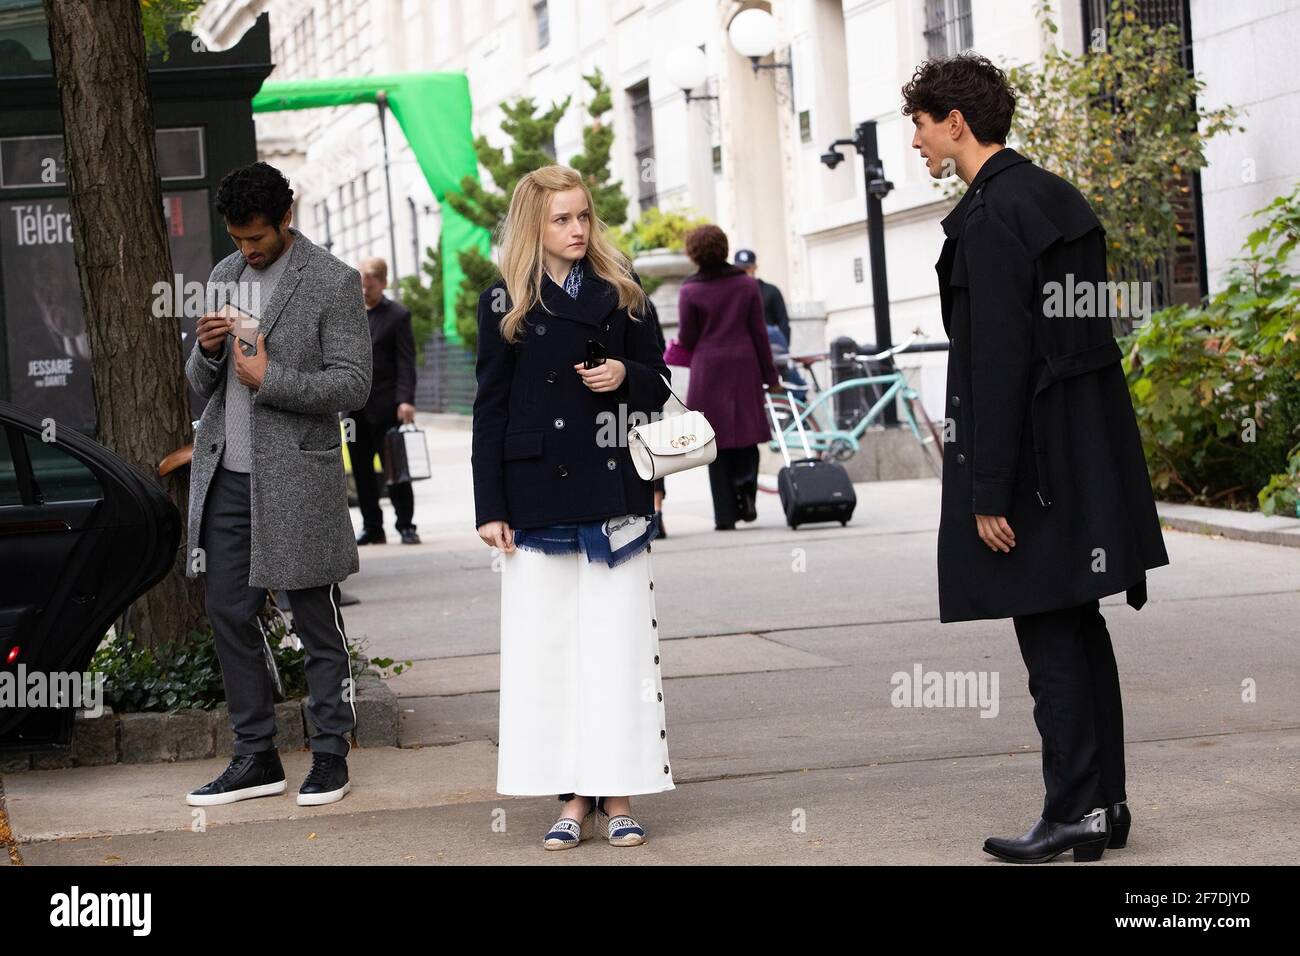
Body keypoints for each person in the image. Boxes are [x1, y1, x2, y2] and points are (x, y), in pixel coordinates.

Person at [904, 54, 1169, 862]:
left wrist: (989, 490)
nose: (915, 141)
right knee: (1077, 626)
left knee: (1050, 635)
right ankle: (1104, 806)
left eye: (919, 124)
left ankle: (1072, 811)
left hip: (1032, 465)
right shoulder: (1054, 197)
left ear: (956, 123)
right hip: (1082, 451)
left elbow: (999, 362)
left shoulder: (991, 218)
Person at [471, 164, 674, 850]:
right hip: (534, 498)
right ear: (535, 224)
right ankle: (570, 799)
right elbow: (490, 407)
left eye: (583, 216)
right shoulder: (504, 299)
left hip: (614, 491)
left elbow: (661, 383)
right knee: (550, 654)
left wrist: (626, 376)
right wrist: (488, 505)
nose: (578, 229)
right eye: (562, 219)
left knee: (618, 651)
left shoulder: (624, 294)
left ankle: (618, 793)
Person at [183, 162, 372, 808]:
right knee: (230, 613)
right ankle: (256, 755)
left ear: (284, 217)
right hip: (228, 480)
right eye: (237, 238)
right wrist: (207, 351)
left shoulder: (331, 282)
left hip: (296, 477)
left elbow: (353, 385)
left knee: (314, 618)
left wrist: (273, 377)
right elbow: (198, 386)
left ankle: (330, 753)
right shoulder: (223, 278)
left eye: (256, 237)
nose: (247, 250)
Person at [678, 226, 783, 530]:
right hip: (744, 364)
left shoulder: (689, 290)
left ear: (693, 253)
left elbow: (687, 336)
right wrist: (771, 375)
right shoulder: (745, 285)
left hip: (708, 368)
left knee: (715, 442)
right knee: (747, 435)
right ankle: (747, 493)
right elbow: (760, 334)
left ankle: (724, 515)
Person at [347, 256, 420, 546]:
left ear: (384, 284)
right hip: (354, 410)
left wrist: (406, 400)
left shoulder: (398, 316)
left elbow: (406, 362)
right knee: (363, 476)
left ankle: (406, 526)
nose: (365, 292)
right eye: (362, 286)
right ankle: (372, 527)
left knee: (397, 472)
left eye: (371, 287)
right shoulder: (350, 315)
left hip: (388, 408)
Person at [734, 248, 792, 345]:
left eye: (747, 268)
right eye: (740, 269)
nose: (744, 272)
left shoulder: (771, 290)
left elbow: (783, 321)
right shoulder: (732, 293)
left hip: (769, 344)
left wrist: (784, 346)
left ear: (755, 267)